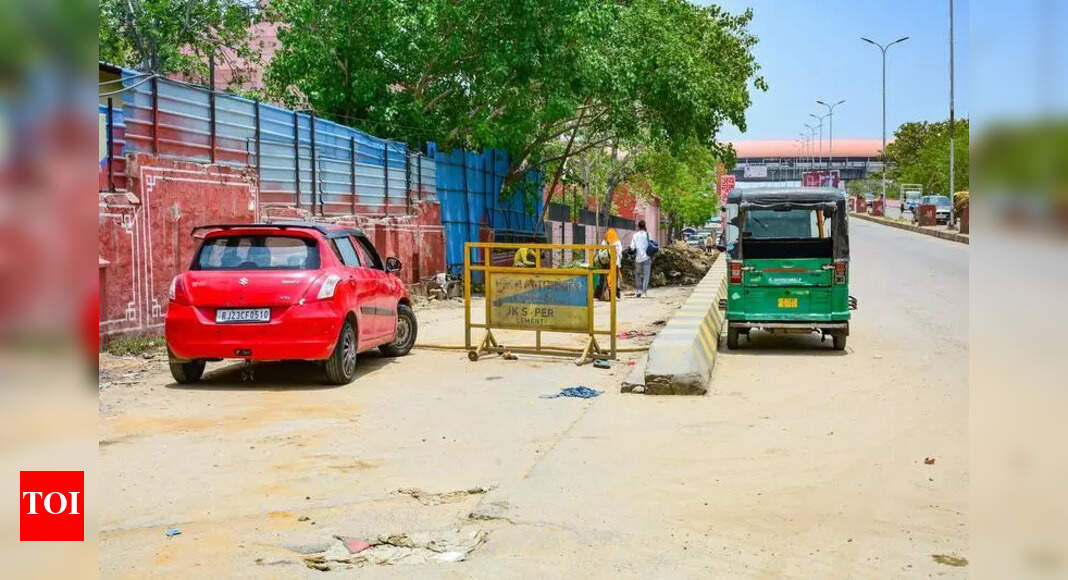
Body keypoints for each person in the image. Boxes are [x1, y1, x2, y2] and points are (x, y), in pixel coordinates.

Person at [630, 220, 651, 297]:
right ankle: (644, 292)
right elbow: (651, 244)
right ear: (645, 226)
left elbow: (632, 247)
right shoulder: (648, 234)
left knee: (638, 274)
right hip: (647, 257)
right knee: (646, 275)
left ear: (638, 226)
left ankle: (639, 290)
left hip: (638, 258)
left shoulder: (635, 235)